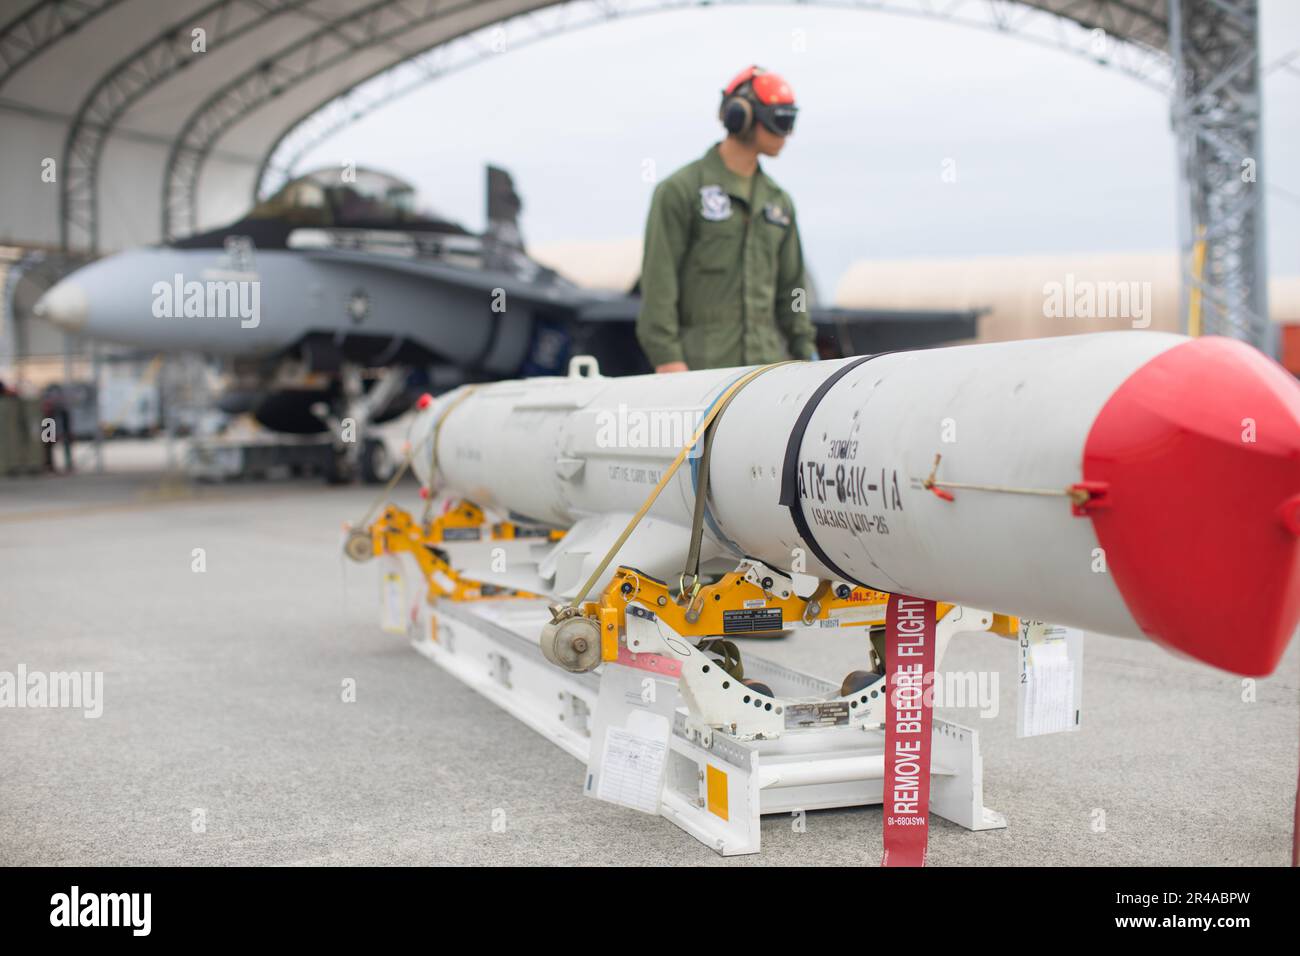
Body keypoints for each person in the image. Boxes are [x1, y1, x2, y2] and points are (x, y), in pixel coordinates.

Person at [636, 65, 816, 373]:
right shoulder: (680, 192)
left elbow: (793, 291)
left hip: (766, 373)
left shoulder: (778, 204)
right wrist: (668, 360)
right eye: (781, 120)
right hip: (702, 371)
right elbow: (658, 287)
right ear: (741, 117)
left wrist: (808, 356)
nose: (787, 134)